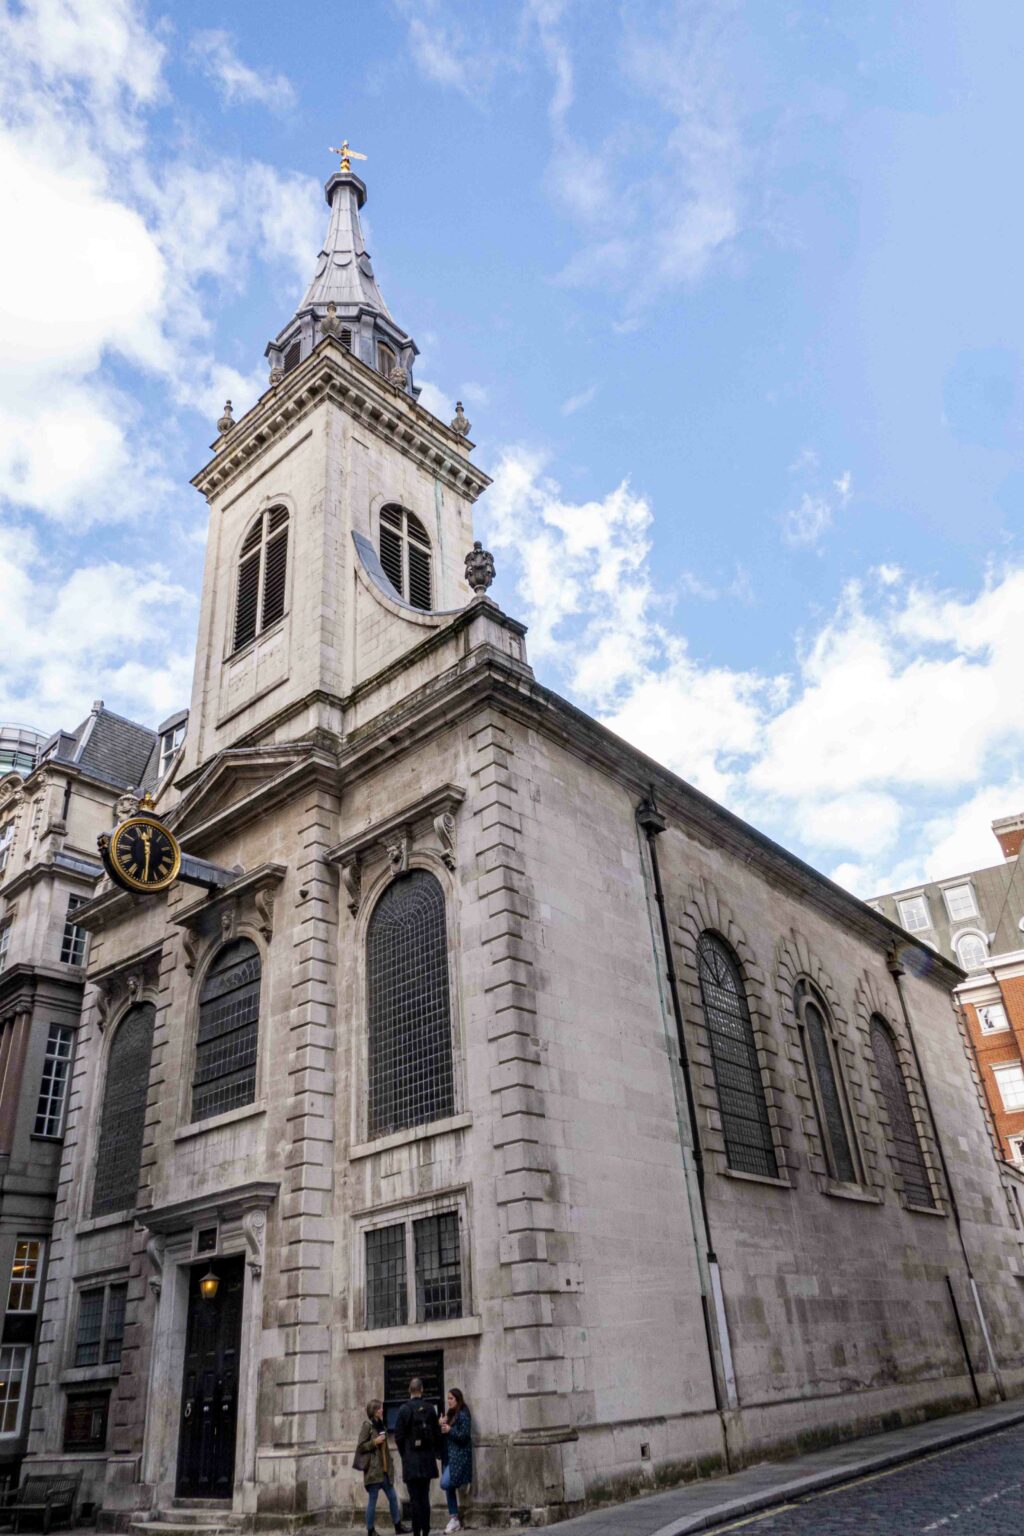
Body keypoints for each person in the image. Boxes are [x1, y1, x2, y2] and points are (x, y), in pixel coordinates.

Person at [394, 1377, 442, 1536]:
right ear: (422, 1390)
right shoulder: (430, 1409)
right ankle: (426, 1530)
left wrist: (404, 1454)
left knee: (414, 1499)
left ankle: (416, 1532)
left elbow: (398, 1437)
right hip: (427, 1460)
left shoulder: (404, 1409)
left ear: (409, 1390)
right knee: (425, 1497)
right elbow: (436, 1434)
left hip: (411, 1460)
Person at [356, 1400, 408, 1536]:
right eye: (379, 1409)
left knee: (392, 1497)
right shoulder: (367, 1426)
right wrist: (374, 1442)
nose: (382, 1410)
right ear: (374, 1411)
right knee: (372, 1500)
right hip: (373, 1471)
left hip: (384, 1470)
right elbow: (361, 1446)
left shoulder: (381, 1426)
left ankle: (397, 1525)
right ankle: (370, 1530)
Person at [439, 1388, 472, 1534]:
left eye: (451, 1398)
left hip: (458, 1457)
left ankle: (462, 1483)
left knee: (445, 1483)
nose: (448, 1400)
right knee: (449, 1488)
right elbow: (444, 1434)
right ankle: (454, 1519)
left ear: (458, 1399)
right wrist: (441, 1424)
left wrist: (449, 1430)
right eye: (448, 1398)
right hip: (448, 1456)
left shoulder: (463, 1414)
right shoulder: (450, 1414)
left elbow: (464, 1436)